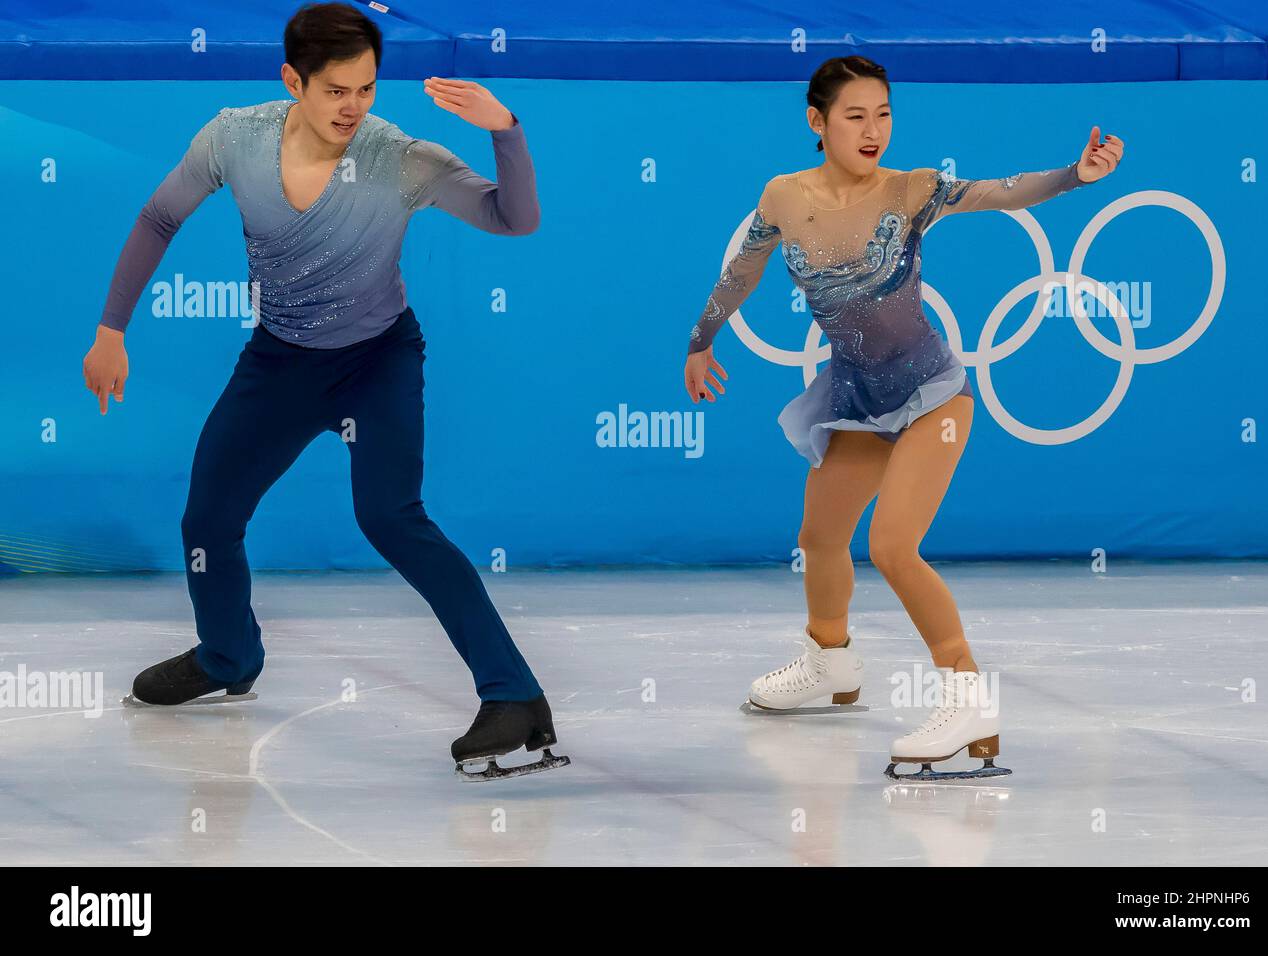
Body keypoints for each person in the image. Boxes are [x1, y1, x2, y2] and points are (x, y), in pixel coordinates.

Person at [81, 2, 567, 779]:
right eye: (336, 90)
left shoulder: (399, 158)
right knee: (208, 515)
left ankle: (515, 696)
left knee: (391, 517)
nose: (354, 108)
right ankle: (227, 654)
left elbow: (516, 220)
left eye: (367, 89)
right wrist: (112, 330)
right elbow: (158, 216)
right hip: (281, 361)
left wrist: (505, 129)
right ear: (292, 82)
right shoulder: (233, 138)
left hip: (377, 360)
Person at [683, 55, 1123, 779]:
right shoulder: (783, 196)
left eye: (883, 114)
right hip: (857, 398)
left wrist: (1076, 175)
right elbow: (744, 268)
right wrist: (701, 340)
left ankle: (967, 693)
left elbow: (1002, 193)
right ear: (816, 122)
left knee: (892, 545)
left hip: (932, 396)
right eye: (855, 115)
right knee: (820, 537)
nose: (873, 130)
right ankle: (831, 661)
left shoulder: (911, 189)